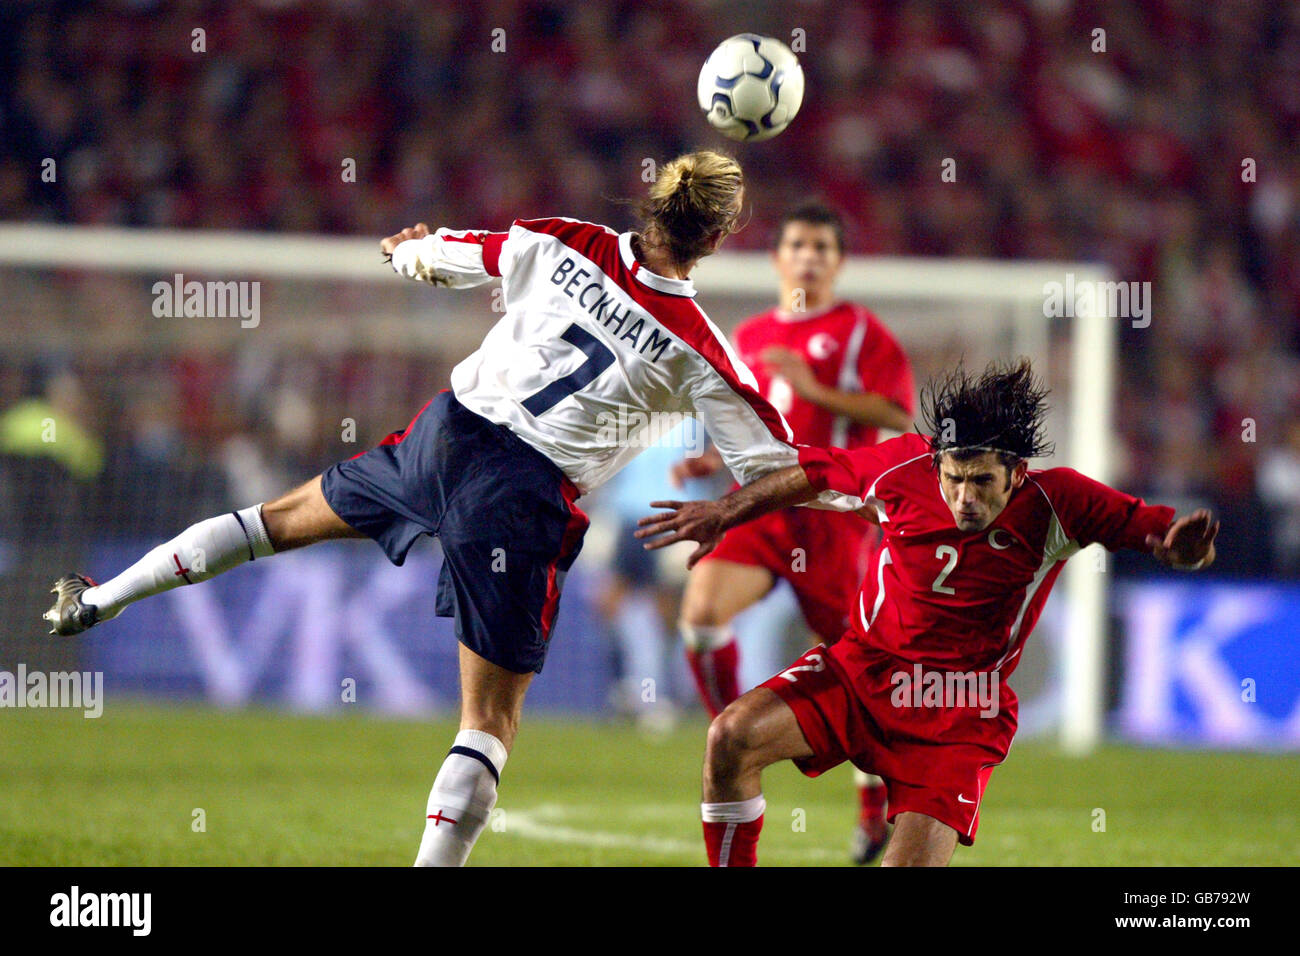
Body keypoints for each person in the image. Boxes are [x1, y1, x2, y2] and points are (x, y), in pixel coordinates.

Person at [42, 150, 858, 867]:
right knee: (489, 719)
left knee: (275, 521)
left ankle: (101, 597)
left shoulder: (560, 239)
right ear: (719, 237)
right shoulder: (700, 348)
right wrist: (764, 505)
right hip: (522, 493)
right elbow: (789, 469)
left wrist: (410, 253)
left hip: (445, 435)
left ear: (652, 202)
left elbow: (439, 253)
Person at [637, 359, 1219, 866]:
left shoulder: (1059, 502)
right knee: (731, 736)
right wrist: (725, 513)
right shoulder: (902, 469)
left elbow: (1160, 533)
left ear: (1016, 472)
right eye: (954, 478)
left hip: (958, 713)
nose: (965, 497)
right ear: (937, 462)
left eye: (982, 481)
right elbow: (813, 474)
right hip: (862, 673)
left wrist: (1182, 549)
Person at [671, 201, 914, 863]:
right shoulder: (749, 336)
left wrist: (817, 387)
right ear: (777, 257)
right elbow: (755, 423)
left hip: (835, 515)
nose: (809, 256)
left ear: (838, 262)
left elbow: (897, 412)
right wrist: (712, 459)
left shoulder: (861, 332)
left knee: (859, 676)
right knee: (699, 617)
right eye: (799, 244)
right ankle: (731, 734)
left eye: (823, 247)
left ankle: (873, 808)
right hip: (759, 507)